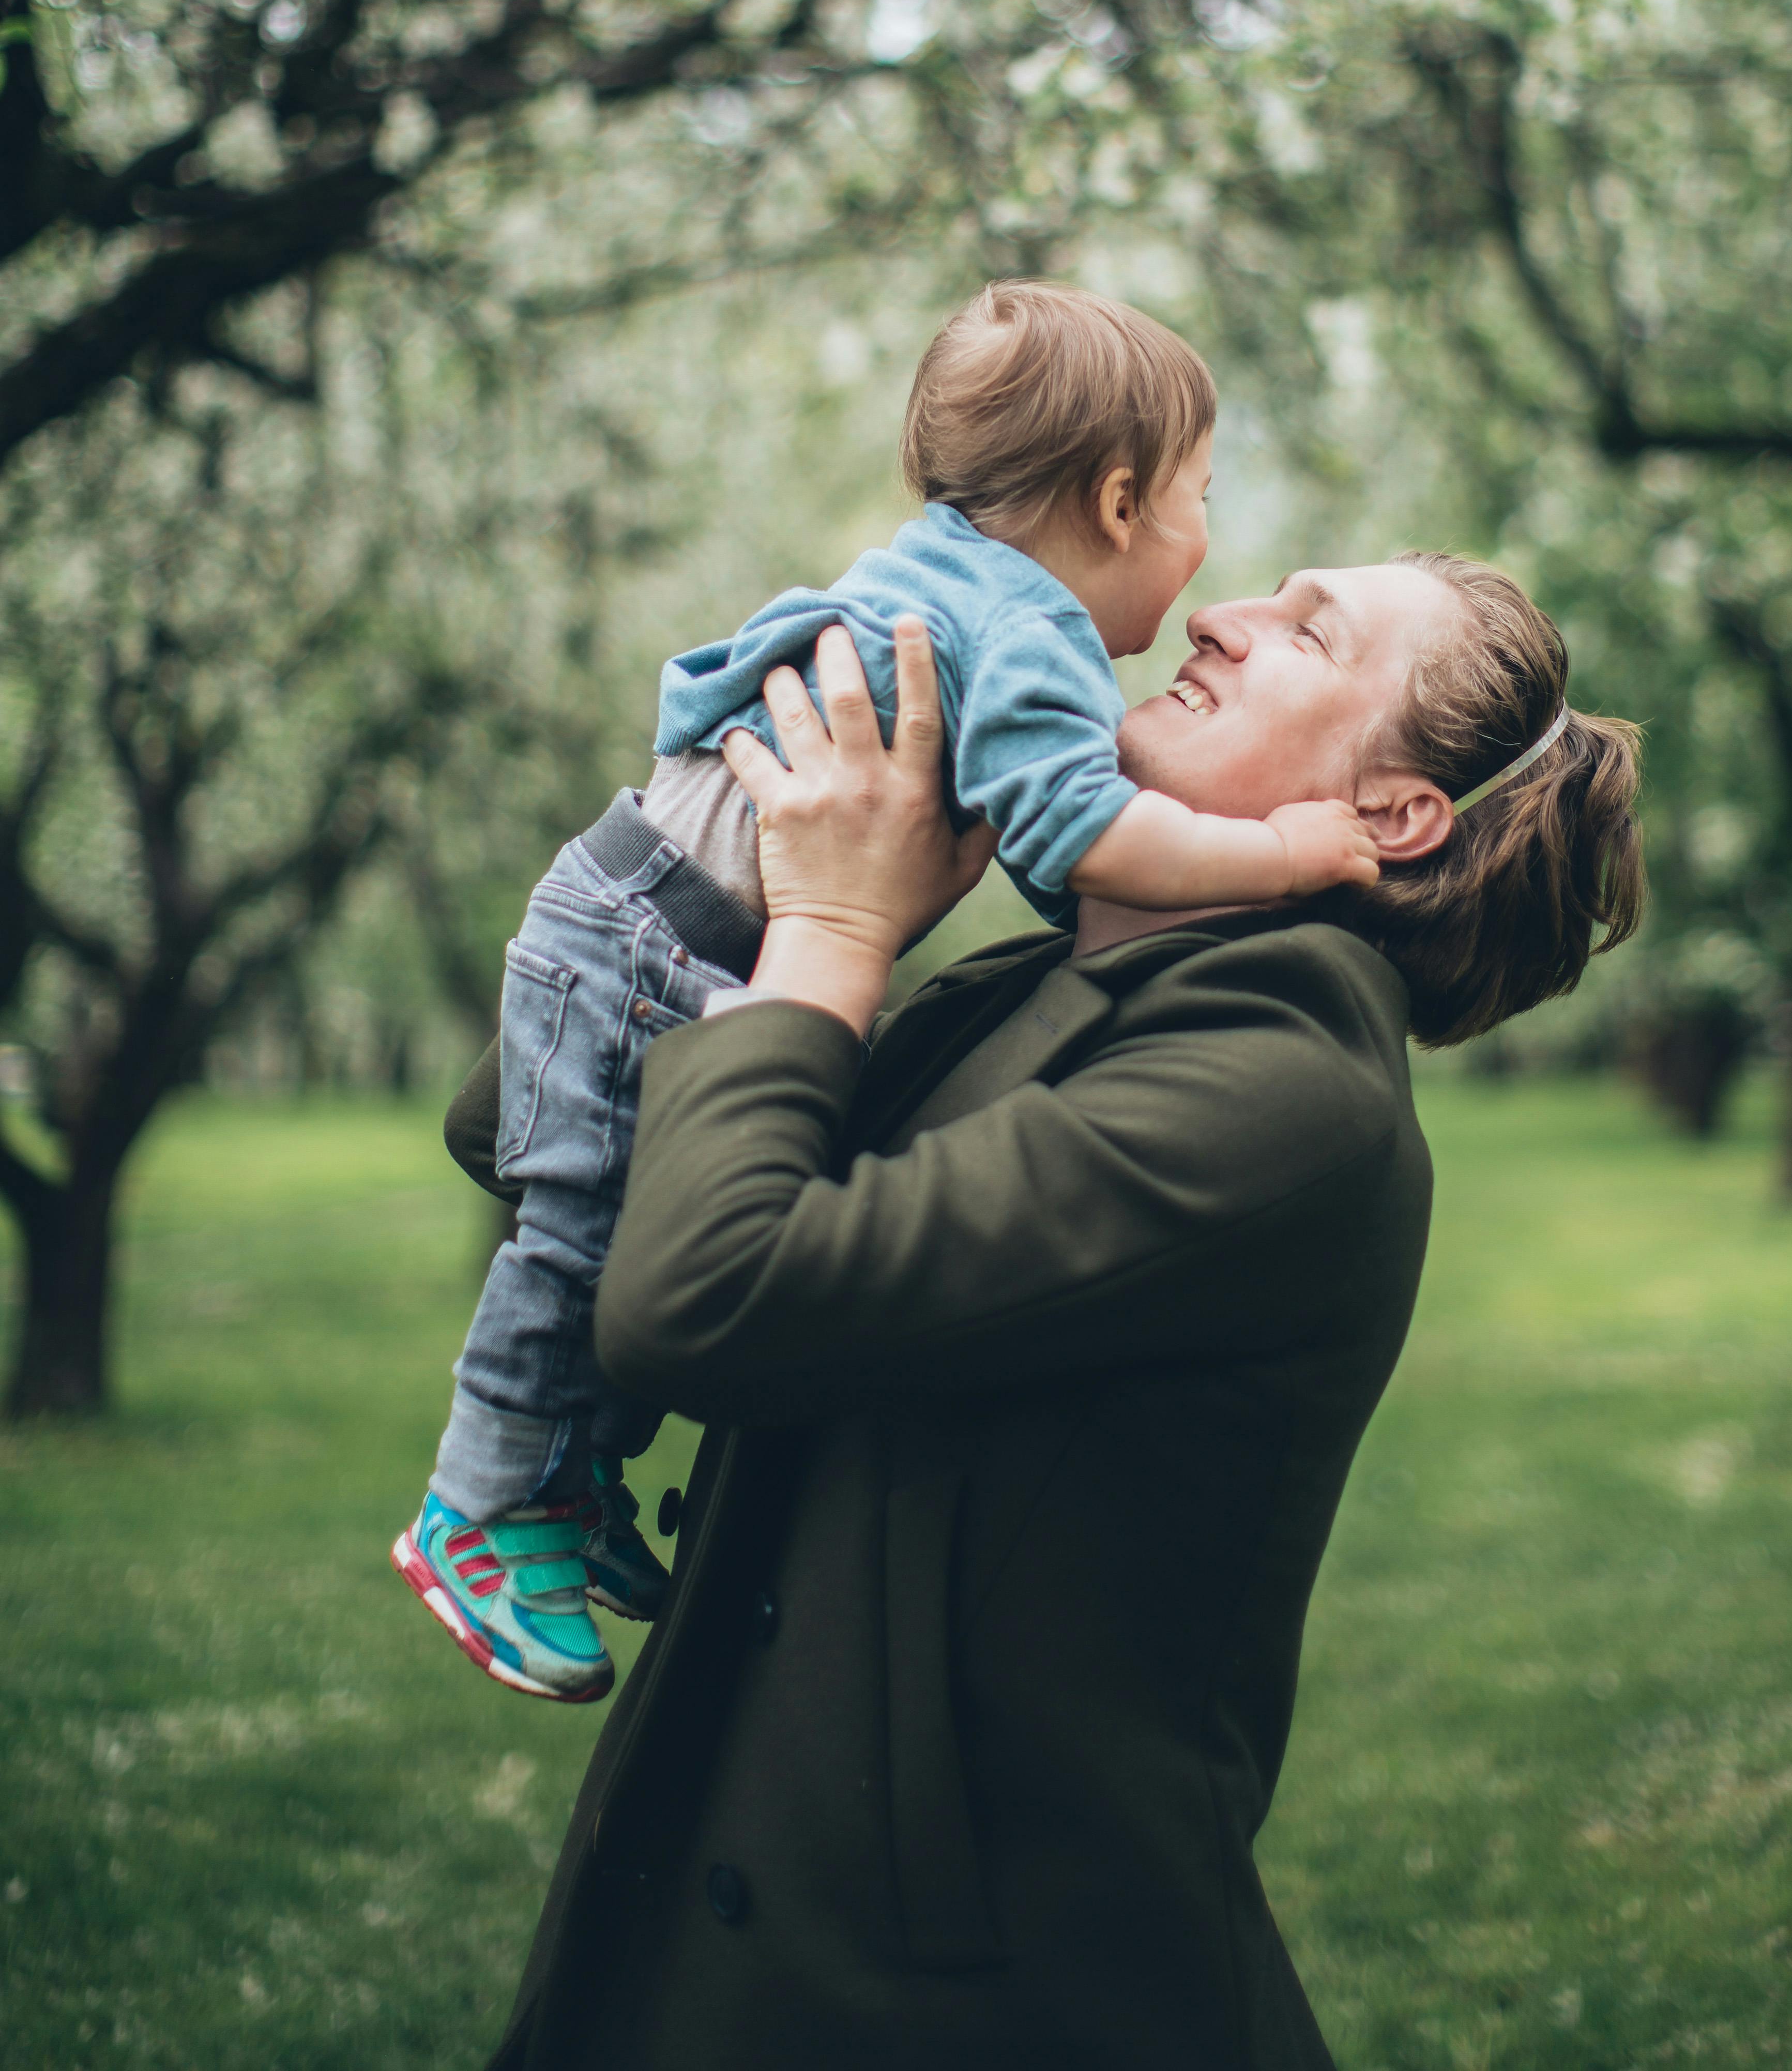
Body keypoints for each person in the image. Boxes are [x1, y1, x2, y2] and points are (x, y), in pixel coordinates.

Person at [442, 551, 1644, 2070]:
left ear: (1396, 813)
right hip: (708, 1918)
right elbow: (538, 1143)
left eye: (1306, 630)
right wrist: (726, 836)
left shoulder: (1285, 1092)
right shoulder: (1025, 994)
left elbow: (705, 1296)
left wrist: (828, 925)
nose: (1222, 614)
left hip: (958, 2001)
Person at [396, 285, 1380, 1702]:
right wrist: (1279, 849)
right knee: (580, 1231)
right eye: (1203, 497)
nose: (1215, 578)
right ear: (1117, 504)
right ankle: (480, 1509)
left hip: (631, 907)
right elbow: (1077, 834)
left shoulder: (938, 572)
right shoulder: (1028, 631)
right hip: (658, 937)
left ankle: (568, 1481)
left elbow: (1042, 850)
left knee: (600, 1208)